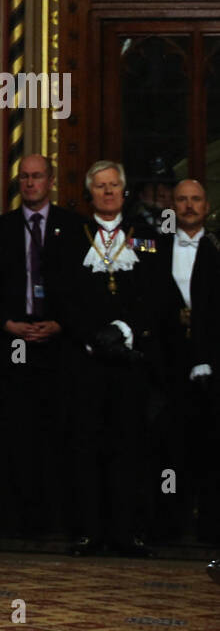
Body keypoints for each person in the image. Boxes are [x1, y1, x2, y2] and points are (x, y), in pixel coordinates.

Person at [63, 161, 159, 557]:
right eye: (100, 187)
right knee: (86, 447)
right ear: (91, 193)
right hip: (87, 363)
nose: (107, 192)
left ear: (124, 191)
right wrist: (92, 337)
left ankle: (127, 531)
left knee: (129, 447)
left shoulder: (145, 237)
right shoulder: (71, 236)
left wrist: (124, 331)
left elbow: (155, 291)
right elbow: (63, 293)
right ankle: (89, 531)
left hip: (130, 361)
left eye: (114, 185)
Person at [0, 154, 83, 537]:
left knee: (58, 427)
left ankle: (57, 519)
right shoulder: (1, 228)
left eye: (37, 177)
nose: (30, 183)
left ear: (51, 180)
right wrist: (6, 323)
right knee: (17, 428)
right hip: (15, 337)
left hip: (59, 339)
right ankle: (20, 520)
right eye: (24, 178)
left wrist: (62, 323)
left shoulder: (74, 227)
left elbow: (84, 287)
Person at [149, 179, 220, 545]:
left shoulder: (216, 248)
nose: (189, 206)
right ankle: (169, 526)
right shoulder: (154, 249)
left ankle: (211, 527)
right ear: (171, 206)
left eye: (196, 199)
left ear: (206, 206)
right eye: (182, 200)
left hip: (212, 368)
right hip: (169, 368)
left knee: (211, 451)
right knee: (169, 452)